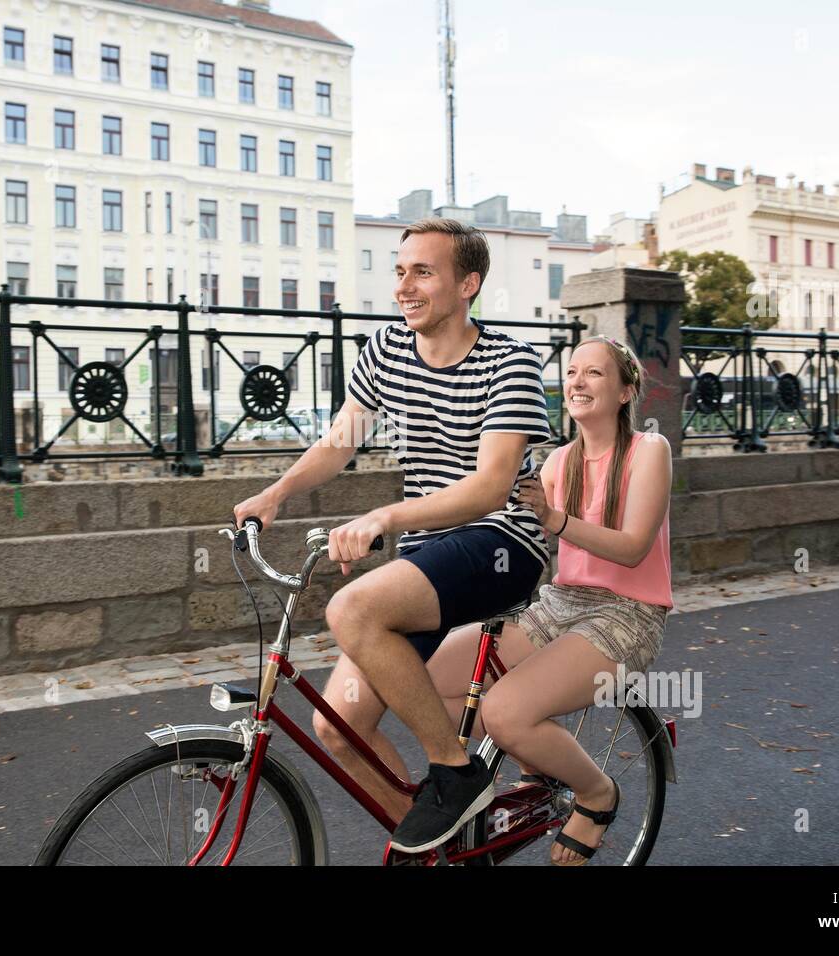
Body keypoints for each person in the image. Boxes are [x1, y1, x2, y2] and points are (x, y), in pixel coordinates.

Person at [233, 218, 551, 854]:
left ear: (469, 284)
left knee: (352, 606)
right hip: (430, 555)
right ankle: (448, 849)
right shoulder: (385, 351)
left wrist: (384, 517)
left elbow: (491, 487)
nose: (405, 286)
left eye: (423, 272)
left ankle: (455, 775)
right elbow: (339, 441)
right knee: (340, 728)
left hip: (501, 544)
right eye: (400, 271)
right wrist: (277, 492)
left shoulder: (511, 362)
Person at [425, 334, 673, 865]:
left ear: (626, 391)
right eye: (572, 372)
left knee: (505, 710)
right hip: (559, 604)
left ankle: (597, 794)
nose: (577, 381)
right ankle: (537, 775)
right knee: (428, 679)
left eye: (595, 373)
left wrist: (556, 518)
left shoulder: (648, 451)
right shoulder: (558, 462)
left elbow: (631, 549)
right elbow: (511, 531)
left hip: (627, 614)